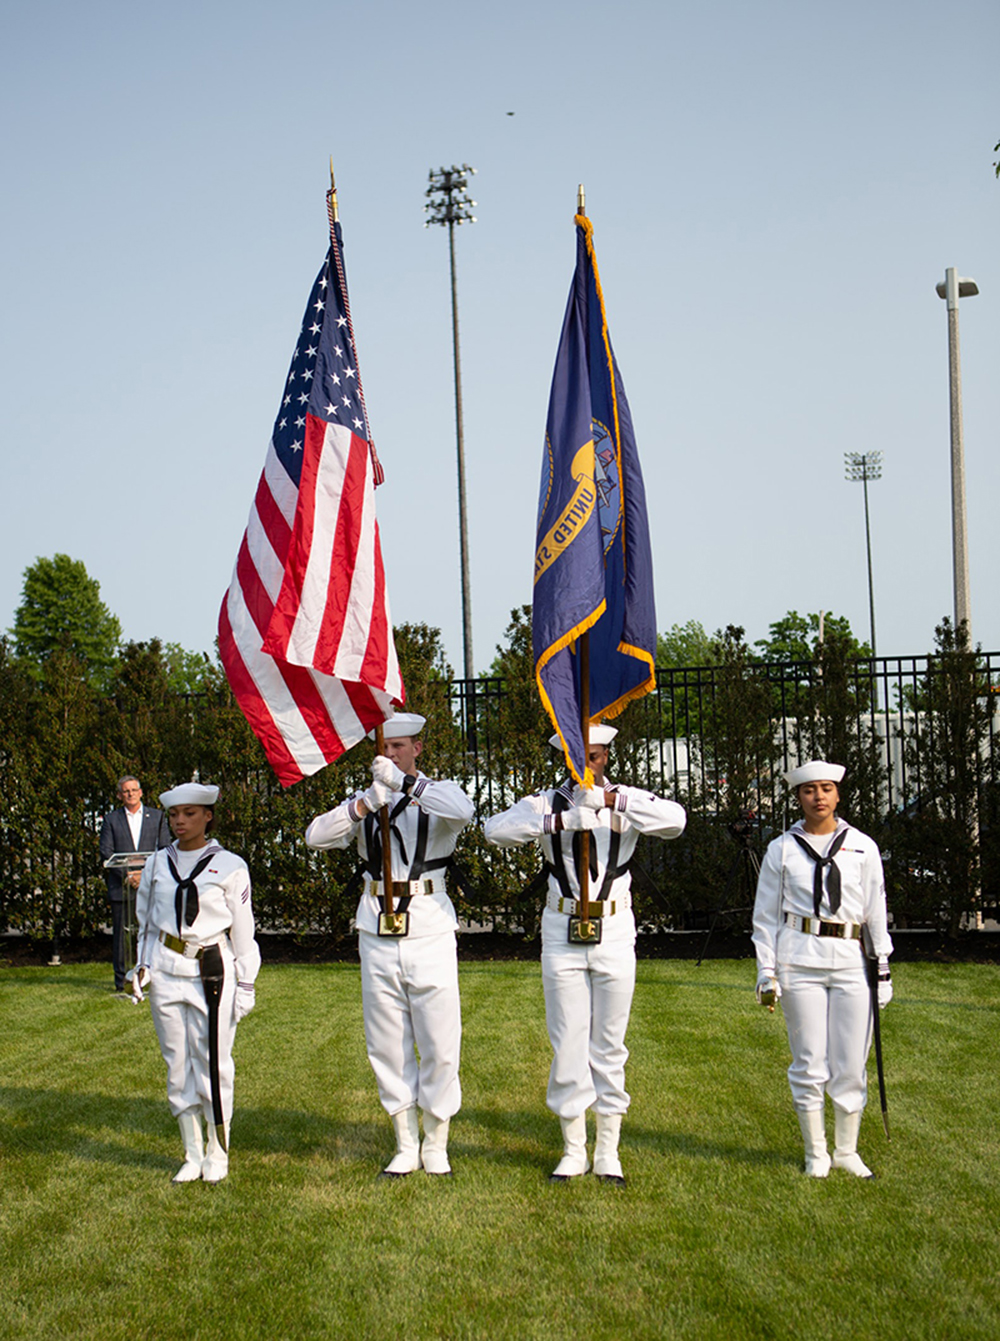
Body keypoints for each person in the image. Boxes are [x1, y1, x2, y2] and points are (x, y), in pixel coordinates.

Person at [483, 725, 686, 1185]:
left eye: (594, 757)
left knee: (609, 1045)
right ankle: (574, 1147)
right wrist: (559, 822)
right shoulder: (544, 803)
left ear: (607, 756)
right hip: (561, 926)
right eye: (579, 759)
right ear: (565, 760)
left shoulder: (627, 799)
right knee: (568, 1040)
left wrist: (612, 803)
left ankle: (608, 1150)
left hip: (613, 926)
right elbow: (495, 830)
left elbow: (676, 821)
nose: (587, 767)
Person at [305, 713, 473, 1178]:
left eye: (400, 747)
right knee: (386, 1040)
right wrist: (362, 805)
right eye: (385, 748)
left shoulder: (437, 792)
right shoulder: (367, 799)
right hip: (377, 927)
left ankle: (436, 1140)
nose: (391, 754)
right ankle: (404, 1140)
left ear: (418, 748)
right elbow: (315, 836)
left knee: (439, 1038)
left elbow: (462, 811)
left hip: (429, 925)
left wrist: (405, 785)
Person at [752, 760, 893, 1179]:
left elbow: (875, 911)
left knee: (851, 1062)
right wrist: (767, 970)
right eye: (810, 790)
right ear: (798, 797)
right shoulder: (781, 849)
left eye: (826, 789)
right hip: (800, 960)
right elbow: (765, 917)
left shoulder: (862, 847)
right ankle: (816, 1151)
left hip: (852, 962)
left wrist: (882, 967)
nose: (819, 797)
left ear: (838, 795)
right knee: (809, 1060)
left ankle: (846, 1150)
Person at [132, 783, 260, 1184]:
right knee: (176, 1064)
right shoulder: (156, 864)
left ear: (208, 816)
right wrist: (143, 965)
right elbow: (147, 924)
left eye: (189, 813)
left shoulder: (231, 865)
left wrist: (247, 984)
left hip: (211, 968)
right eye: (174, 815)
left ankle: (217, 1150)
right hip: (167, 968)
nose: (180, 822)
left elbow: (243, 932)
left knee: (213, 1063)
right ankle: (190, 1151)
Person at [98, 776, 170, 992]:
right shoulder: (111, 820)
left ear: (141, 792)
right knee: (121, 936)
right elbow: (106, 852)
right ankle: (122, 982)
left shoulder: (156, 817)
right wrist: (129, 875)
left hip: (151, 886)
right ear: (120, 795)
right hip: (122, 886)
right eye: (125, 791)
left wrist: (144, 875)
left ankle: (153, 976)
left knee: (154, 931)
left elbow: (165, 848)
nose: (130, 794)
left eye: (134, 790)